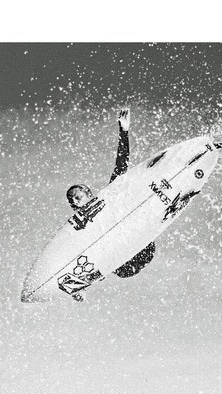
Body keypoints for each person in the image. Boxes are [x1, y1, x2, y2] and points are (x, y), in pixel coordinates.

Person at [65, 108, 156, 277]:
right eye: (72, 202)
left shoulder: (108, 198)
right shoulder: (83, 228)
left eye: (77, 197)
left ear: (89, 194)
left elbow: (121, 163)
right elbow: (85, 262)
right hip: (124, 265)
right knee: (116, 268)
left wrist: (124, 131)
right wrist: (80, 289)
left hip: (142, 247)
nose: (75, 203)